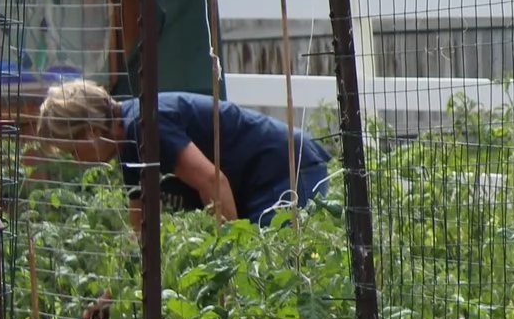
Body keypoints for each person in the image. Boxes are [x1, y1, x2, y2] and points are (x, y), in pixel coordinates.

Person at [36, 79, 330, 225]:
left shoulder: (146, 126)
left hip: (287, 169)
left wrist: (228, 262)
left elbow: (213, 182)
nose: (76, 161)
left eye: (73, 150)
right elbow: (141, 236)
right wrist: (109, 303)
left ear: (90, 132)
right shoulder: (128, 147)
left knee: (275, 273)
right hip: (260, 182)